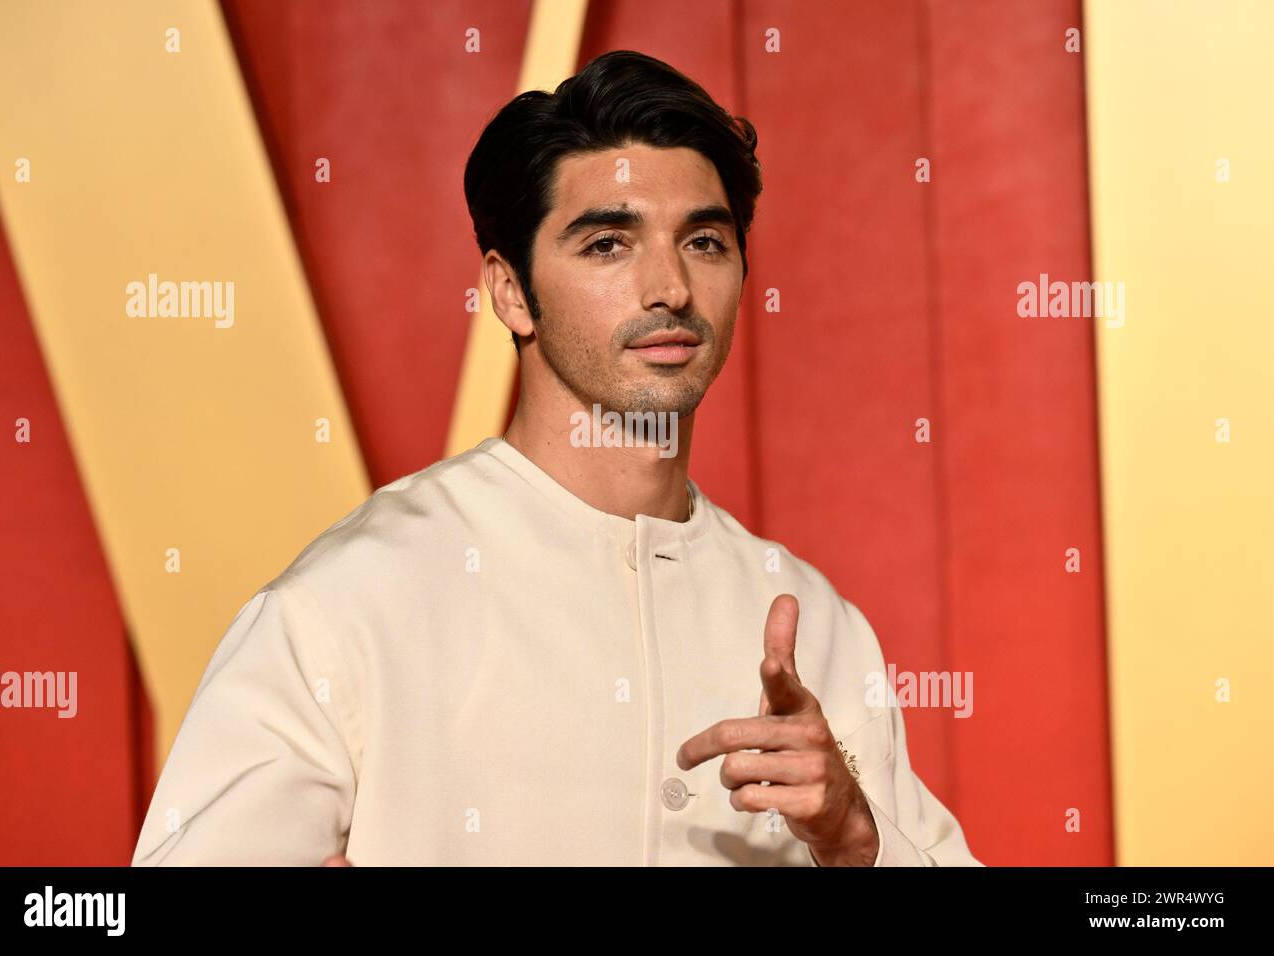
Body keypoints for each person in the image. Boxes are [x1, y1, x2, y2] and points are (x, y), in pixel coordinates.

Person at [131, 50, 981, 867]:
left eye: (704, 242)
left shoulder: (815, 626)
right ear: (509, 290)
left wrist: (856, 842)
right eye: (608, 243)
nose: (670, 288)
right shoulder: (349, 605)